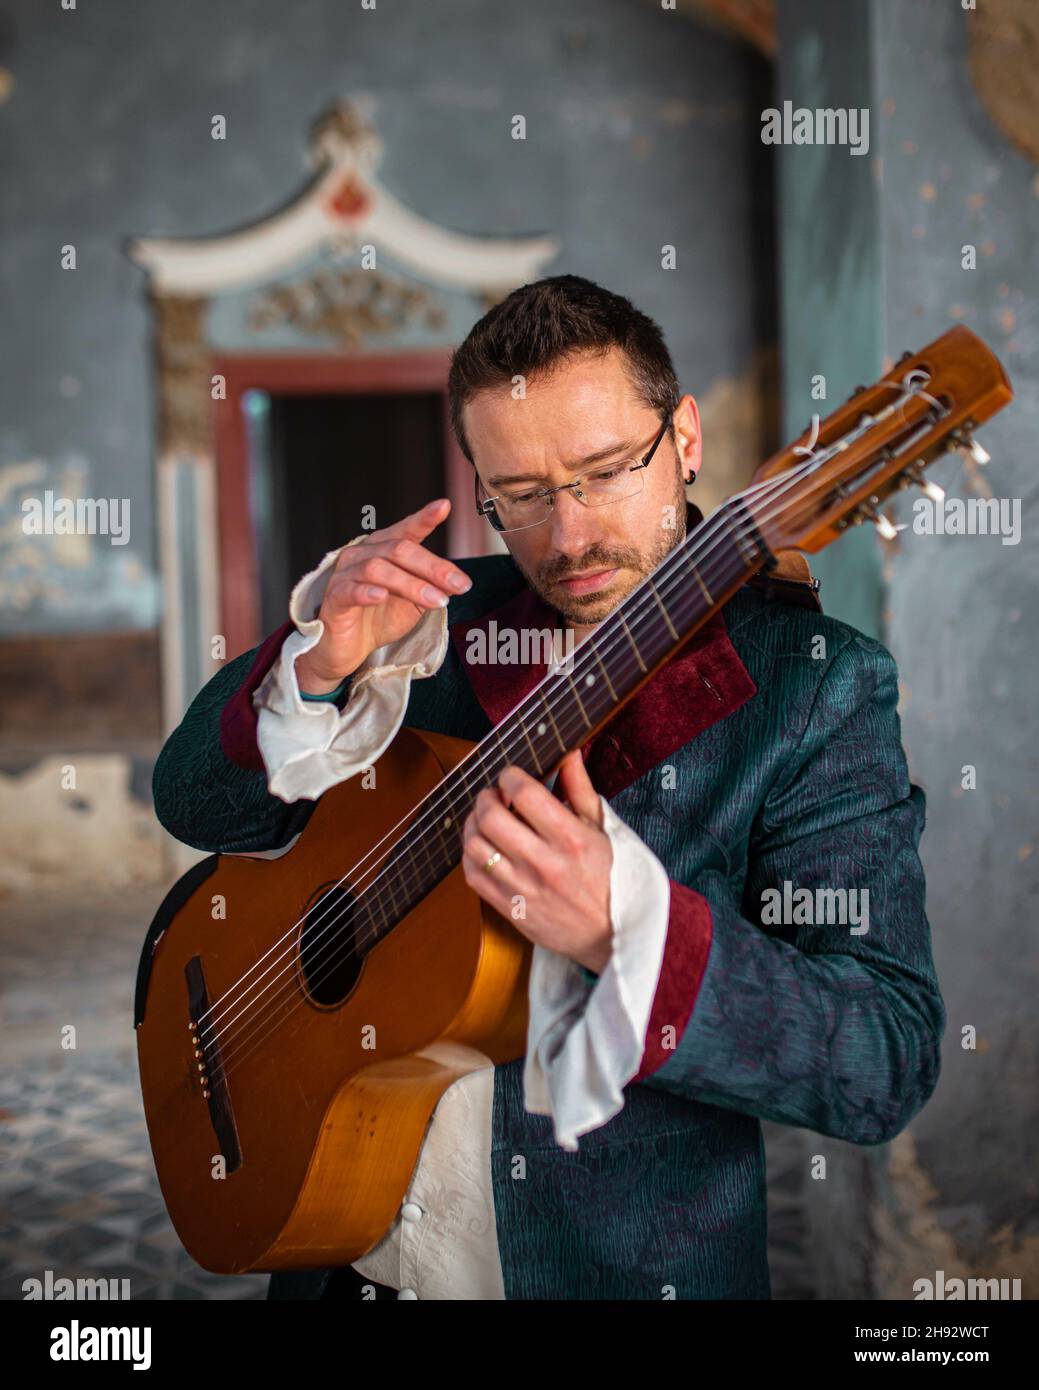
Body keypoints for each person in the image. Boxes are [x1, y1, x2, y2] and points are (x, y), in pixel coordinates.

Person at [152, 274, 945, 1300]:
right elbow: (190, 801)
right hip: (335, 1258)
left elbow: (882, 1057)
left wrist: (631, 936)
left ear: (686, 439)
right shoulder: (422, 625)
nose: (567, 537)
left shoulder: (815, 689)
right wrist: (312, 666)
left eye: (607, 470)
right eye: (518, 494)